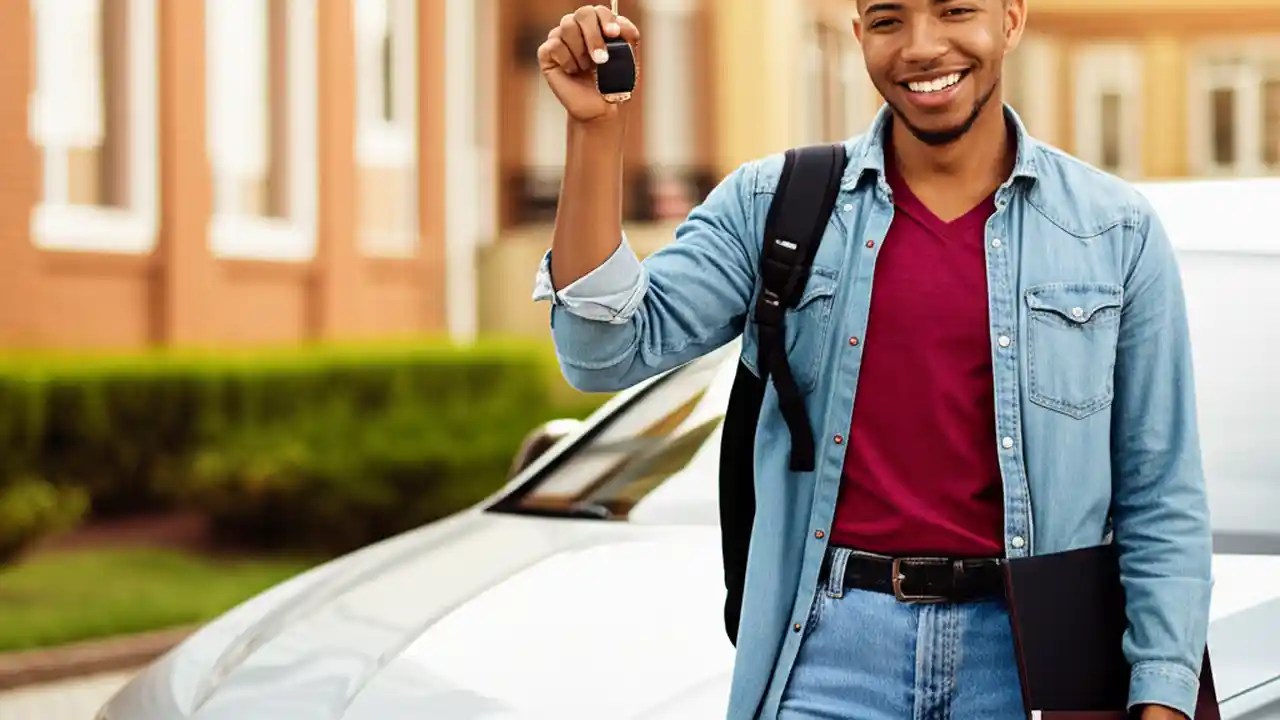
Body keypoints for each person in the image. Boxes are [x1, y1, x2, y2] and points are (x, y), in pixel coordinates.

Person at [531, 1, 1213, 719]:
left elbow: (1161, 493)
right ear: (859, 36)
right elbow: (602, 352)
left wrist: (1162, 696)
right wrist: (594, 131)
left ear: (1011, 20)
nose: (921, 46)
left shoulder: (1114, 231)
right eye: (889, 20)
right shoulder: (777, 205)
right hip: (833, 660)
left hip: (1030, 671)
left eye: (955, 11)